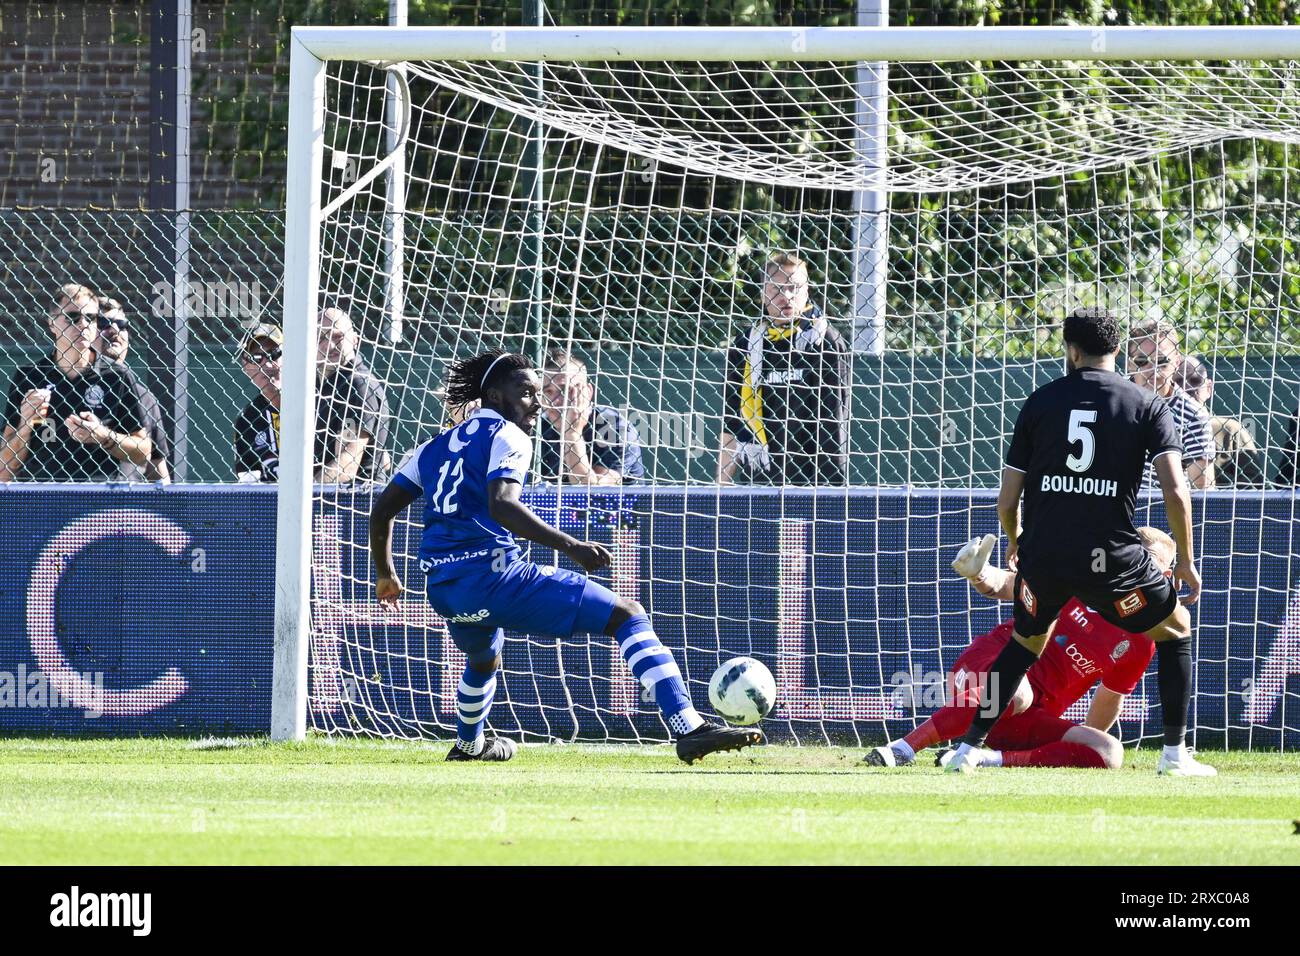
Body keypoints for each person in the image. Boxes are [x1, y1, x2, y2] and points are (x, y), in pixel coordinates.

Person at [368, 348, 763, 763]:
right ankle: (689, 727)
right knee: (626, 614)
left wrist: (385, 573)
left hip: (445, 589)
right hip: (496, 578)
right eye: (526, 392)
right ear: (496, 396)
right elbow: (502, 504)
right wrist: (570, 546)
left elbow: (382, 511)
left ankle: (469, 745)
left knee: (484, 656)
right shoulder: (509, 435)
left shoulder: (433, 446)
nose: (537, 402)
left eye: (539, 392)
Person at [945, 308, 1215, 776]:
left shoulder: (1041, 401)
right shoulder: (1148, 405)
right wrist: (1186, 559)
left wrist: (1017, 542)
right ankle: (1174, 756)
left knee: (1024, 643)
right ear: (1118, 353)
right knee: (1176, 629)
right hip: (1110, 557)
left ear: (1071, 351)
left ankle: (967, 750)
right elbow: (1176, 490)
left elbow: (1007, 499)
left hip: (1046, 554)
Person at [864, 527, 1174, 770]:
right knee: (1018, 693)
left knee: (1108, 751)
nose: (1139, 568)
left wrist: (1076, 745)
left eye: (1150, 564)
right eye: (1137, 558)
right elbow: (1010, 585)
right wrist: (979, 573)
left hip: (1025, 718)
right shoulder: (1080, 578)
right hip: (982, 674)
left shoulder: (1143, 638)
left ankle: (986, 759)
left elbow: (1108, 700)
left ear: (1166, 576)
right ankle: (903, 749)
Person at [719, 253, 850, 486]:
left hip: (812, 483)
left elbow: (834, 423)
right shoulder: (747, 344)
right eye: (776, 289)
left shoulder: (823, 340)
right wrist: (721, 485)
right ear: (762, 294)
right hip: (760, 477)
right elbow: (732, 421)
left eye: (794, 288)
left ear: (807, 290)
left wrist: (831, 491)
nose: (786, 296)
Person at [0, 283, 153, 483]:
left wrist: (103, 436)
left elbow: (144, 451)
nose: (83, 324)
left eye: (90, 318)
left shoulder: (117, 376)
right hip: (43, 496)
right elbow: (5, 466)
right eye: (73, 317)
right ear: (52, 323)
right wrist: (26, 425)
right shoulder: (29, 376)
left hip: (100, 499)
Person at [1127, 319, 1214, 489]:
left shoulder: (1193, 415)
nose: (1152, 369)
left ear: (1176, 362)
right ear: (1130, 364)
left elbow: (1203, 490)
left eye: (1161, 360)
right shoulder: (1112, 399)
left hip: (1160, 510)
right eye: (1141, 361)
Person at [93, 296, 172, 483]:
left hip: (127, 507)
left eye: (122, 324)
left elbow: (158, 473)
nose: (114, 330)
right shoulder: (69, 384)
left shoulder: (144, 396)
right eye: (103, 324)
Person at [538, 349, 644, 485]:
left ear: (588, 392)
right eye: (548, 391)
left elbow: (590, 492)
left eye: (566, 390)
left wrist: (572, 433)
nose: (556, 401)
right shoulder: (537, 427)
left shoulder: (615, 425)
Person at [316, 306, 391, 484]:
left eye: (337, 336)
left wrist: (299, 498)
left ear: (355, 340)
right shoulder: (322, 385)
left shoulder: (357, 386)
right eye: (321, 338)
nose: (330, 345)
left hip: (355, 502)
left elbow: (346, 466)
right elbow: (385, 459)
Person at [1177, 354, 1263, 488]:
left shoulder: (1230, 430)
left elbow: (1254, 484)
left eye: (1195, 381)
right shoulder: (1153, 427)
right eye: (1178, 382)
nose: (1187, 388)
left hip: (1221, 506)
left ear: (1209, 388)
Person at [233, 324, 282, 482]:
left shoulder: (317, 404)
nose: (267, 364)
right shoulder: (246, 421)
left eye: (274, 354)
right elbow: (248, 483)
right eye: (256, 358)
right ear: (246, 366)